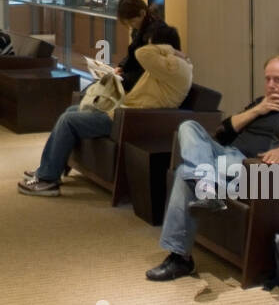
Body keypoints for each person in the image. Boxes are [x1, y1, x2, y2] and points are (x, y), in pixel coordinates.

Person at [146, 53, 279, 281]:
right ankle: (206, 181)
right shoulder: (260, 103)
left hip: (250, 167)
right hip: (225, 156)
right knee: (189, 127)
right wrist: (257, 110)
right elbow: (222, 133)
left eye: (278, 80)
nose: (271, 85)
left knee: (185, 173)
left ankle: (180, 258)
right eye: (267, 79)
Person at [19, 43, 192, 195]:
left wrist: (168, 49)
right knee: (73, 110)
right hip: (124, 113)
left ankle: (48, 179)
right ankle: (48, 167)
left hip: (127, 120)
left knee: (68, 120)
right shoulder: (171, 69)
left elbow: (143, 53)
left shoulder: (174, 67)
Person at [112, 0, 181, 94]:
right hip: (144, 78)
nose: (131, 26)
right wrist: (122, 67)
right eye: (128, 23)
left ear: (142, 13)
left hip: (158, 85)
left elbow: (150, 68)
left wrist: (124, 78)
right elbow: (134, 54)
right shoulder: (140, 30)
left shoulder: (158, 33)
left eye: (132, 21)